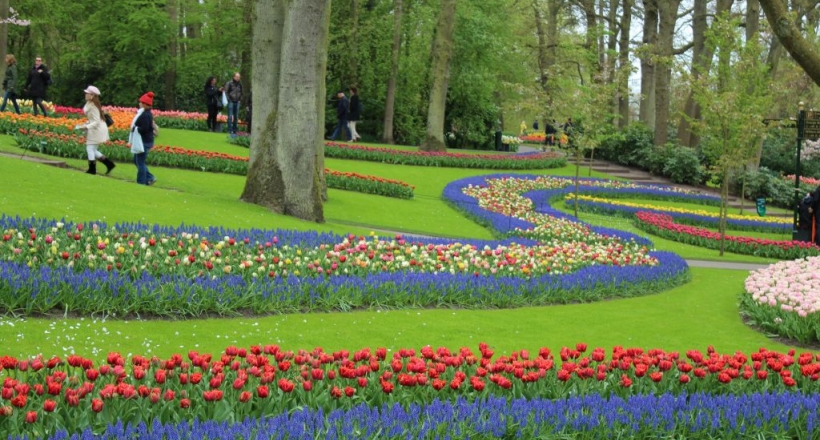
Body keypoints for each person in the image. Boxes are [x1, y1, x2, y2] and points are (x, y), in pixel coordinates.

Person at [73, 85, 115, 175]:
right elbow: (93, 119)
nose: (85, 94)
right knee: (93, 149)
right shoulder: (90, 104)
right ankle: (109, 164)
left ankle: (92, 169)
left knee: (90, 148)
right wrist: (85, 125)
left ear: (92, 95)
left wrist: (86, 127)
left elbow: (96, 121)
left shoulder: (93, 106)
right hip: (95, 128)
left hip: (97, 129)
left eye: (87, 93)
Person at [131, 92, 156, 185]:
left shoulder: (145, 115)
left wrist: (135, 128)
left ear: (145, 104)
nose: (139, 104)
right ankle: (149, 177)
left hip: (143, 142)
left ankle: (141, 182)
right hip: (144, 141)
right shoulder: (146, 114)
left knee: (140, 162)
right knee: (136, 160)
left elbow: (144, 129)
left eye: (140, 103)